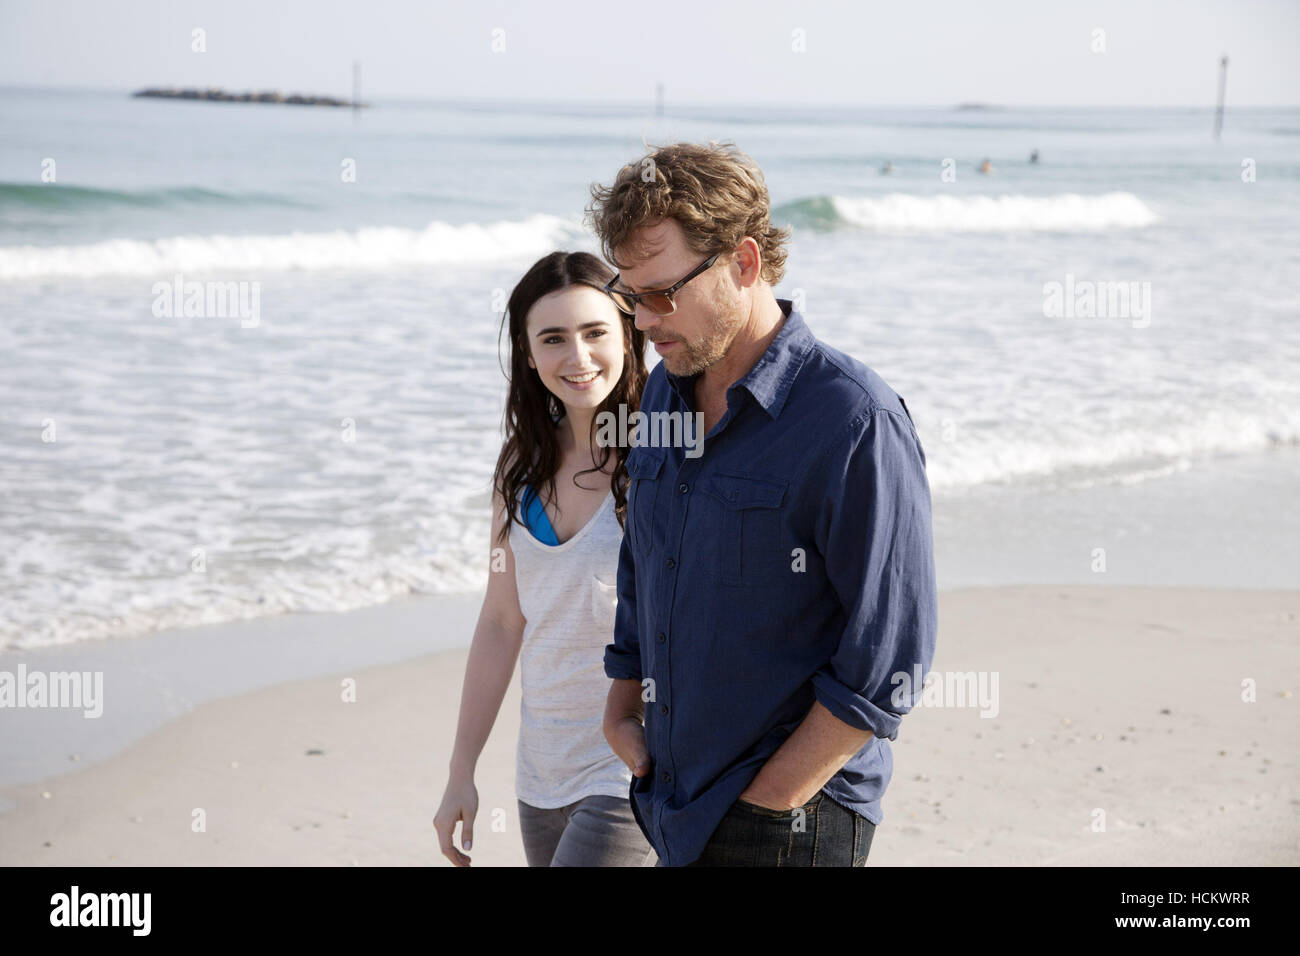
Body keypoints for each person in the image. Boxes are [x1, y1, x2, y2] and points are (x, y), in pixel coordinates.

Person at [587, 141, 938, 867]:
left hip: (790, 821)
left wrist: (773, 801)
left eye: (661, 292)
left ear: (744, 264)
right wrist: (622, 705)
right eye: (629, 296)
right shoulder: (662, 389)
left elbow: (892, 653)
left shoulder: (853, 420)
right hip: (671, 802)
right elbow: (645, 558)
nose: (644, 321)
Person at [432, 251, 655, 867]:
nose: (578, 358)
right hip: (540, 775)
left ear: (630, 334)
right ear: (529, 355)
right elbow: (502, 621)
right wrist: (461, 771)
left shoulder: (661, 458)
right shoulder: (519, 466)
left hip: (631, 771)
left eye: (595, 333)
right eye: (553, 338)